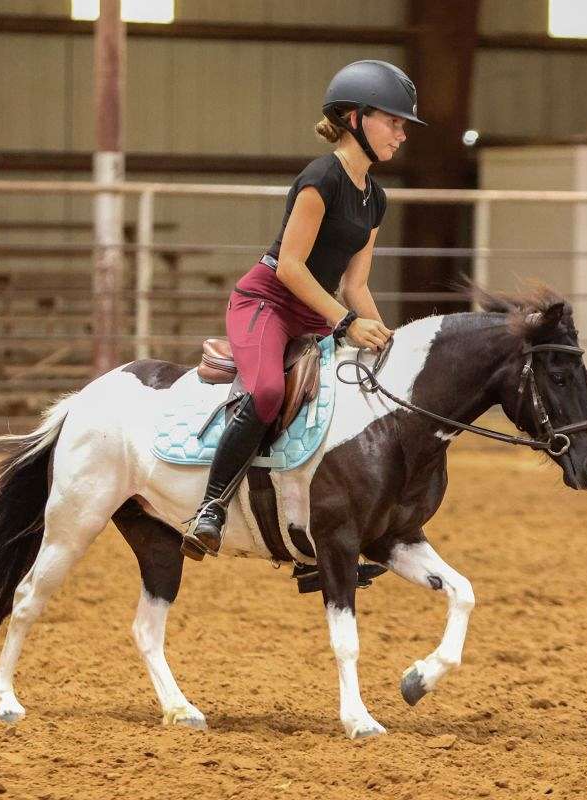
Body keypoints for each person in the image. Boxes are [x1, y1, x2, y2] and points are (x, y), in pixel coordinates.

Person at [181, 59, 426, 560]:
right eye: (394, 122)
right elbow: (291, 267)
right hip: (266, 301)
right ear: (356, 118)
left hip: (318, 313)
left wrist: (387, 339)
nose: (401, 135)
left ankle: (317, 529)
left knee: (353, 402)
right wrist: (345, 323)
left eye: (403, 126)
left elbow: (355, 283)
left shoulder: (375, 198)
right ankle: (210, 507)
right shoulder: (321, 179)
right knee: (268, 390)